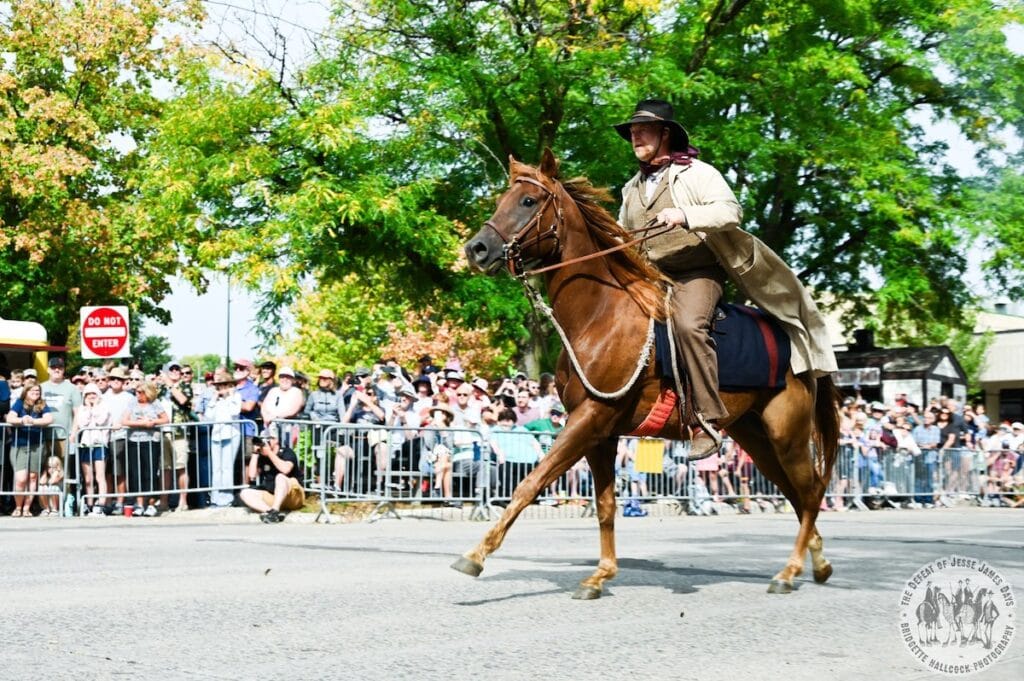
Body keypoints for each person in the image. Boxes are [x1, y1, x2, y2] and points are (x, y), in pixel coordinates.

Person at [613, 99, 837, 457]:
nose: (635, 136)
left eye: (643, 129)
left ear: (665, 134)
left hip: (696, 273)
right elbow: (625, 234)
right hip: (653, 277)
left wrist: (685, 214)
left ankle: (707, 420)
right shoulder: (630, 189)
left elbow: (730, 211)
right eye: (632, 132)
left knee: (688, 325)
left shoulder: (697, 173)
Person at [121, 381, 169, 517]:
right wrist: (141, 423)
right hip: (134, 440)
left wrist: (153, 422)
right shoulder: (132, 403)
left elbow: (165, 419)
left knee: (150, 473)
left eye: (140, 392)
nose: (137, 394)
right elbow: (124, 420)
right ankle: (140, 504)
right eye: (136, 392)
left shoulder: (155, 403)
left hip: (150, 441)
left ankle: (152, 504)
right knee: (137, 474)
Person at [5, 383, 54, 516]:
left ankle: (27, 508)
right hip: (19, 445)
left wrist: (33, 421)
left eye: (38, 390)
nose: (35, 392)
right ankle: (18, 507)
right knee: (21, 478)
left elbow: (49, 419)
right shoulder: (19, 403)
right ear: (26, 391)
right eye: (32, 390)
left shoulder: (42, 404)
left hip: (37, 445)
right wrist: (22, 420)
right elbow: (10, 417)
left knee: (33, 477)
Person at [238, 429, 305, 523]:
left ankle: (275, 509)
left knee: (280, 477)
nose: (264, 443)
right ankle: (272, 512)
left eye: (267, 439)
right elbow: (252, 475)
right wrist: (255, 454)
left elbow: (285, 469)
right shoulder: (262, 456)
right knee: (245, 493)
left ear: (276, 440)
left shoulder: (286, 452)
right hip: (274, 496)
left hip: (293, 494)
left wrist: (269, 453)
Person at [204, 368, 243, 507]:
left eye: (226, 385)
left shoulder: (236, 397)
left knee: (227, 467)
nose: (223, 388)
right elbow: (208, 417)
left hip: (231, 434)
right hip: (217, 435)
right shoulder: (216, 400)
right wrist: (214, 400)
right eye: (220, 385)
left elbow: (235, 412)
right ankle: (215, 498)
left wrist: (230, 397)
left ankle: (226, 498)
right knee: (217, 468)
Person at [71, 382, 112, 515]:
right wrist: (88, 408)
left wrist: (94, 407)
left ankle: (101, 504)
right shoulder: (82, 409)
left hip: (99, 443)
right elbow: (82, 423)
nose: (91, 396)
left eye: (93, 393)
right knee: (88, 478)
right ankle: (89, 504)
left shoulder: (104, 406)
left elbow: (100, 420)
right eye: (88, 394)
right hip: (86, 444)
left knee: (100, 476)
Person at [158, 361, 193, 512]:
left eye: (177, 369)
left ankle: (183, 502)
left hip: (179, 432)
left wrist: (170, 385)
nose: (174, 371)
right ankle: (164, 501)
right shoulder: (161, 388)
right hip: (163, 432)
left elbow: (183, 400)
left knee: (181, 467)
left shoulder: (185, 386)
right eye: (171, 369)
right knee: (165, 468)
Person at [39, 356, 81, 461]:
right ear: (48, 370)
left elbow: (78, 413)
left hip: (64, 437)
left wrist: (74, 434)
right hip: (42, 436)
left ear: (64, 370)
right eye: (53, 367)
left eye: (60, 367)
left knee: (62, 471)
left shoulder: (72, 388)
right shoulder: (40, 387)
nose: (57, 370)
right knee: (43, 471)